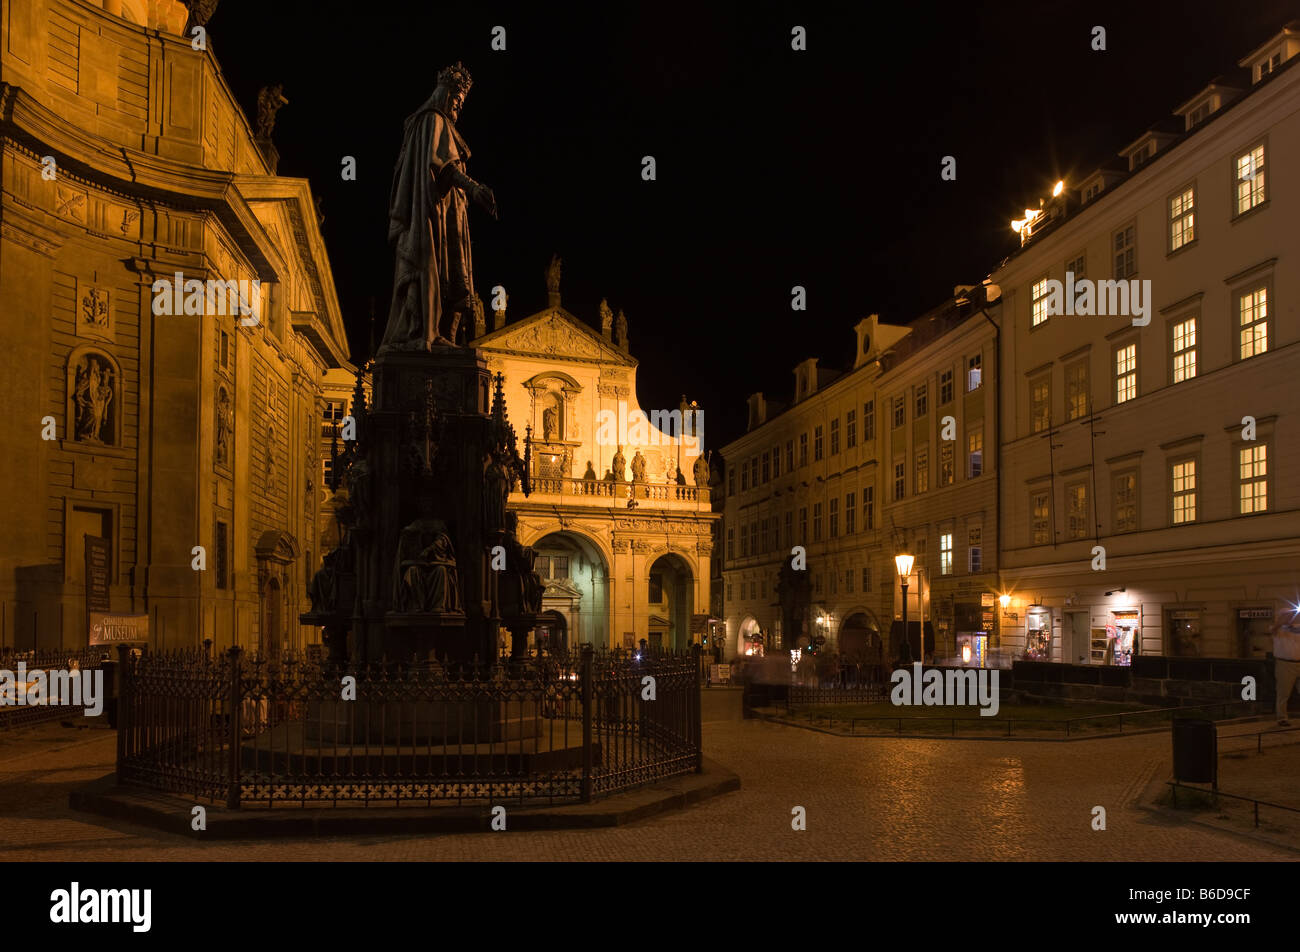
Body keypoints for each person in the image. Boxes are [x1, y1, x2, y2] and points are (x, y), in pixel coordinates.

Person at [1270, 613, 1300, 726]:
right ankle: (1282, 718)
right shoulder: (1278, 630)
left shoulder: (1297, 627)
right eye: (1287, 615)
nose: (1290, 618)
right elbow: (1273, 629)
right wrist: (1282, 621)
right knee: (1283, 692)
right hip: (1285, 664)